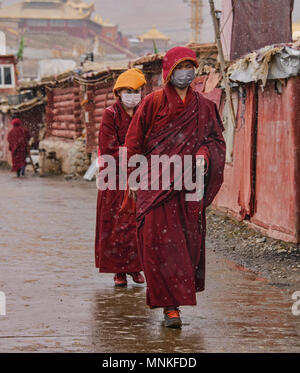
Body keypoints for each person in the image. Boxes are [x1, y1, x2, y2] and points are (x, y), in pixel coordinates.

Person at [124, 47, 226, 328]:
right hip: (155, 187)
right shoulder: (153, 102)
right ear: (169, 72)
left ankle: (175, 304)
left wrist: (205, 155)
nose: (187, 72)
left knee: (182, 248)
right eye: (181, 66)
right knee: (157, 246)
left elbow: (215, 141)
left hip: (188, 187)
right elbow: (134, 142)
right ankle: (168, 305)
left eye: (190, 66)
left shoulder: (205, 106)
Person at [95, 68, 146, 287]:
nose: (133, 95)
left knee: (137, 224)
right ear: (119, 93)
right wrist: (133, 154)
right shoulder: (111, 114)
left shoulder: (145, 113)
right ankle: (119, 271)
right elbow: (107, 147)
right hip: (114, 178)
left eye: (137, 91)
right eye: (128, 91)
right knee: (116, 225)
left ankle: (135, 268)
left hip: (140, 174)